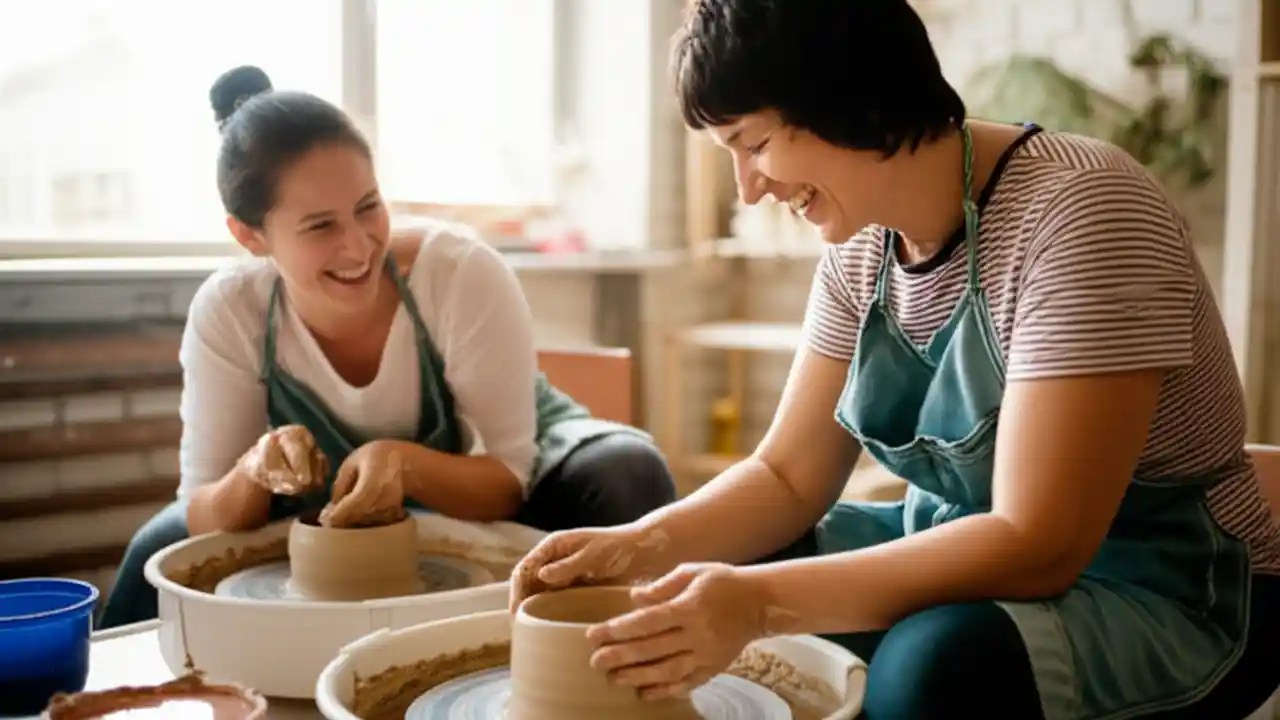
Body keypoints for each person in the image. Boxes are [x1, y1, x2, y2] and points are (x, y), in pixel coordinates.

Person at [509, 2, 1280, 718]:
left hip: (1175, 590)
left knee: (931, 668)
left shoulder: (1083, 212)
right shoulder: (861, 249)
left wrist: (759, 604)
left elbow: (1037, 542)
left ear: (841, 94)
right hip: (967, 541)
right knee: (722, 561)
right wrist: (641, 542)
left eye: (754, 144)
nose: (748, 190)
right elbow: (786, 479)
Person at [98, 65, 676, 629]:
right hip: (314, 513)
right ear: (250, 236)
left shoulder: (457, 271)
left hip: (496, 478)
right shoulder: (230, 308)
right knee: (159, 546)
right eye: (320, 227)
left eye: (368, 207)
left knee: (627, 473)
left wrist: (404, 464)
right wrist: (254, 470)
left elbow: (505, 478)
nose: (358, 247)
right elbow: (205, 510)